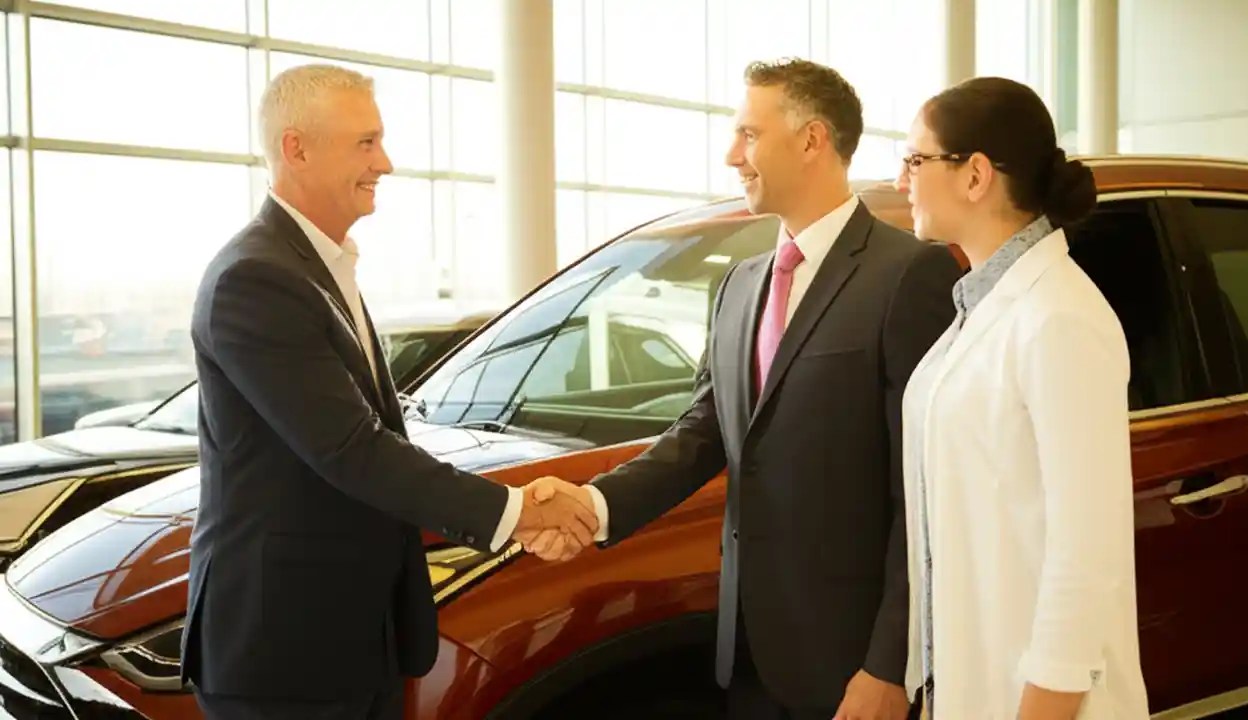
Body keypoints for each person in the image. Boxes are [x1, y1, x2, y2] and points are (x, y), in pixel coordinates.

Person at [530, 58, 960, 719]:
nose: (733, 155)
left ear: (813, 139)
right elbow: (704, 434)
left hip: (855, 666)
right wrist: (593, 503)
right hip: (751, 656)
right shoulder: (741, 285)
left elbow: (926, 496)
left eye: (749, 134)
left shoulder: (909, 275)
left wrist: (892, 664)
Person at [180, 64, 595, 720]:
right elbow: (352, 448)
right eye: (365, 143)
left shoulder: (320, 265)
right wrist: (518, 512)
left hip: (353, 637)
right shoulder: (255, 278)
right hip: (285, 651)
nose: (387, 163)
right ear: (297, 148)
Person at [894, 76, 1149, 719]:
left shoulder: (1058, 317)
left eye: (916, 160)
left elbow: (1087, 550)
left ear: (975, 174)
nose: (903, 182)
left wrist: (1042, 710)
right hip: (968, 684)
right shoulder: (982, 308)